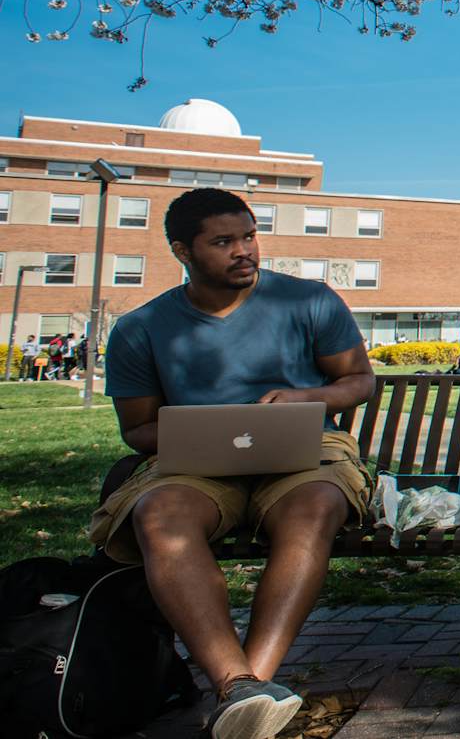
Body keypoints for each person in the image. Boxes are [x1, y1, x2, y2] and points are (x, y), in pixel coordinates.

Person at [88, 187, 377, 739]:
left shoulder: (308, 300)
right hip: (194, 463)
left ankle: (244, 690)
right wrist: (207, 429)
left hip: (305, 450)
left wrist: (306, 400)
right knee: (160, 516)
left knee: (315, 507)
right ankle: (240, 690)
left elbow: (359, 381)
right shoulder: (141, 329)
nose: (244, 250)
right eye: (223, 242)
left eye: (248, 236)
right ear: (182, 251)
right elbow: (138, 429)